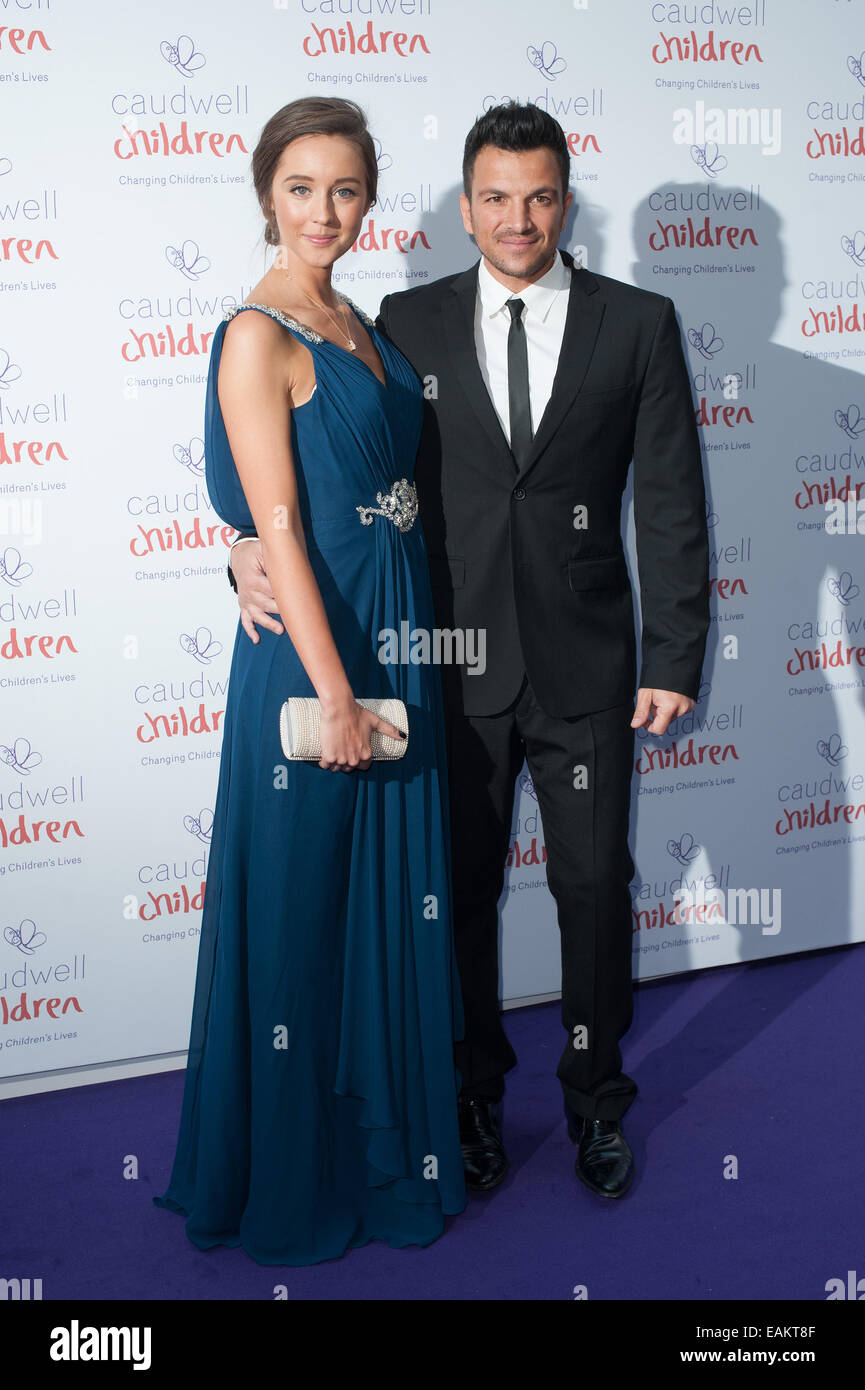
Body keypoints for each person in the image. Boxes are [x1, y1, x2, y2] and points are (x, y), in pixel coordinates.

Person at [229, 101, 710, 1202]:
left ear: (565, 201)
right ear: (464, 207)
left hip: (591, 667)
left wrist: (673, 653)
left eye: (539, 195)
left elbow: (673, 502)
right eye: (495, 196)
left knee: (592, 889)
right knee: (455, 894)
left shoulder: (637, 323)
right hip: (443, 659)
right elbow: (328, 472)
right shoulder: (405, 320)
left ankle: (596, 1099)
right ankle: (473, 1101)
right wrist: (241, 549)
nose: (517, 217)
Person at [152, 96, 466, 1266]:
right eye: (300, 188)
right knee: (299, 910)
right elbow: (273, 524)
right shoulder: (256, 332)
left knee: (380, 902)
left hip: (399, 630)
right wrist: (331, 691)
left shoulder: (360, 320)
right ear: (265, 195)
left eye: (343, 189)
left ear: (367, 199)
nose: (323, 210)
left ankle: (378, 1143)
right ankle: (290, 1174)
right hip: (316, 649)